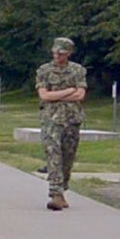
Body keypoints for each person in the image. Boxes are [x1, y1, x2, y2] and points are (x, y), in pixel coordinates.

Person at [36, 36, 88, 210]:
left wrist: (56, 95)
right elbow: (44, 96)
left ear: (69, 54)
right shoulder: (44, 70)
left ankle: (63, 188)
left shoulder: (77, 70)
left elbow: (80, 95)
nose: (57, 56)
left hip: (72, 119)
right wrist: (68, 91)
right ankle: (56, 193)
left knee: (68, 156)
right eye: (56, 52)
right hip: (51, 119)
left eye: (62, 53)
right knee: (53, 153)